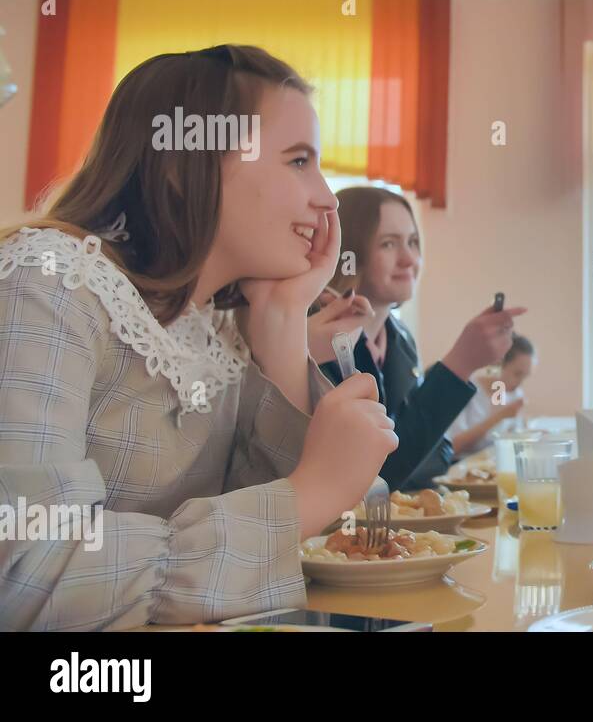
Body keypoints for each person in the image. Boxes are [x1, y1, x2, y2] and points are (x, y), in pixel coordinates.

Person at [0, 45, 397, 630]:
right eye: (297, 161)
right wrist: (306, 496)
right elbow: (28, 573)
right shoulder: (50, 282)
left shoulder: (213, 327)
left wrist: (283, 320)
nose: (327, 198)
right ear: (183, 168)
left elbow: (271, 569)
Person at [311, 186, 525, 489]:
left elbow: (429, 455)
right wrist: (459, 365)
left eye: (413, 242)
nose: (410, 259)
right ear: (350, 254)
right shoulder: (319, 340)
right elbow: (381, 471)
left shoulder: (399, 340)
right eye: (388, 244)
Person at [446, 334, 536, 456]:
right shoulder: (466, 389)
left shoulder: (514, 393)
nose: (520, 383)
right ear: (499, 364)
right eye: (517, 374)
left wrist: (530, 433)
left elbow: (510, 440)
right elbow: (454, 446)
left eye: (525, 376)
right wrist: (500, 416)